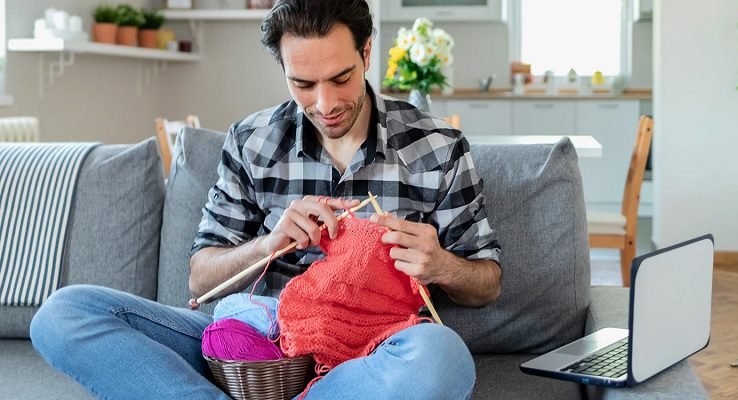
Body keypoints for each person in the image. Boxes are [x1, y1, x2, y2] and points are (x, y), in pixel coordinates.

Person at [30, 0, 501, 398]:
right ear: (283, 69)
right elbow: (200, 278)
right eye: (303, 84)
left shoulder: (437, 146)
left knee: (444, 358)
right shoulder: (252, 141)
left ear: (367, 52)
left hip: (373, 349)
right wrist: (267, 244)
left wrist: (440, 264)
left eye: (341, 78)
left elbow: (487, 282)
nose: (324, 103)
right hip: (254, 338)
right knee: (64, 313)